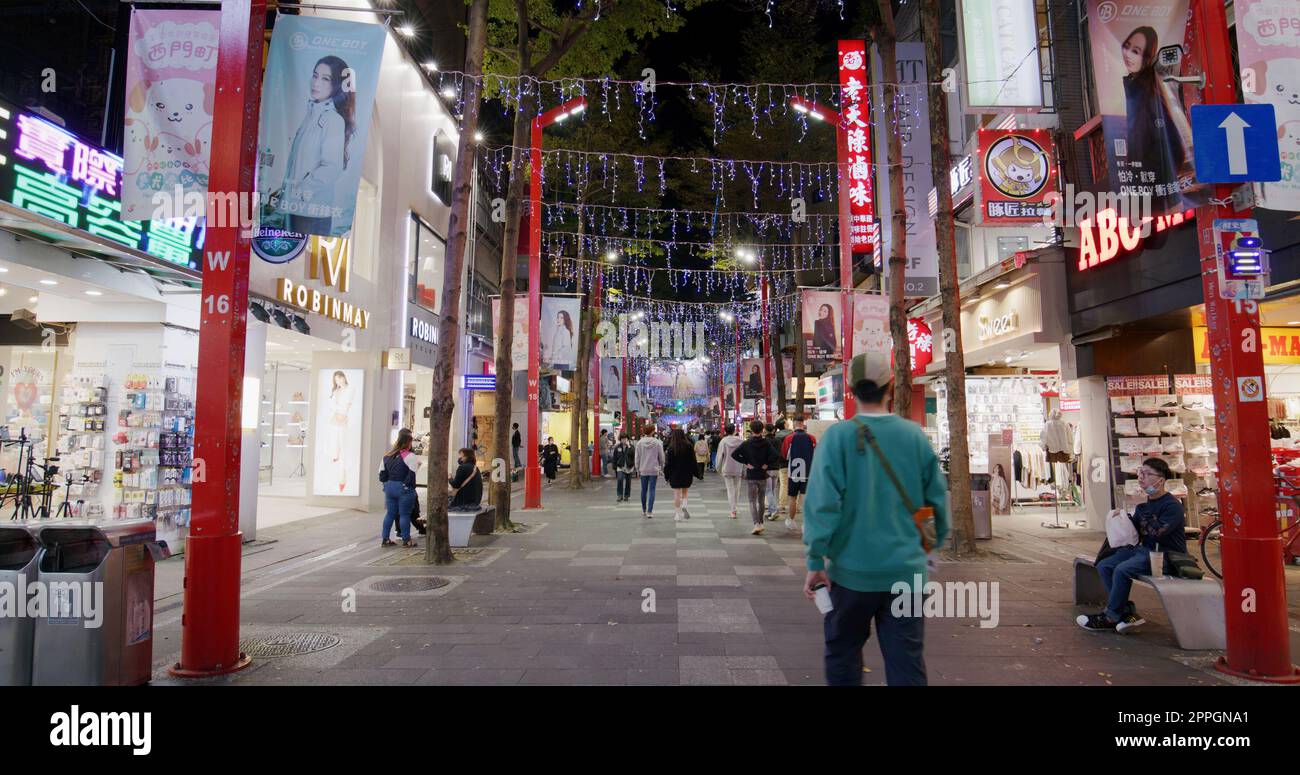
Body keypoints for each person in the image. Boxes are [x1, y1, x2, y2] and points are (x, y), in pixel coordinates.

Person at [802, 351, 950, 686]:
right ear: (890, 385)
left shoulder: (837, 438)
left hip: (851, 574)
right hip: (906, 574)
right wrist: (927, 546)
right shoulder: (914, 436)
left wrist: (815, 559)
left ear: (851, 389)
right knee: (906, 662)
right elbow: (935, 504)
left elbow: (822, 504)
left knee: (842, 654)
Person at [1078, 457, 1186, 634]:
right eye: (1140, 473)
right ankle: (1125, 611)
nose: (1141, 478)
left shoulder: (1172, 506)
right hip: (1144, 552)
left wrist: (1141, 518)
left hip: (1166, 556)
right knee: (1105, 565)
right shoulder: (1144, 505)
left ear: (1161, 479)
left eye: (1146, 474)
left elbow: (1158, 532)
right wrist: (1121, 520)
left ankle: (1111, 616)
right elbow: (1135, 533)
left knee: (1122, 569)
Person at [272, 56, 355, 235]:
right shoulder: (311, 114)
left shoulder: (332, 120)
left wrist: (299, 191)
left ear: (337, 85)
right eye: (315, 75)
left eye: (325, 79)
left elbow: (332, 168)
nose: (316, 82)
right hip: (296, 208)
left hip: (310, 212)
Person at [1119, 26, 1193, 210]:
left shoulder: (1149, 91)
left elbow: (1175, 144)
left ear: (1147, 57)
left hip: (1158, 197)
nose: (1128, 53)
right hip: (1149, 195)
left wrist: (1158, 187)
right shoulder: (1135, 87)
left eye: (1135, 51)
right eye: (1127, 46)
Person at [731, 419, 781, 535]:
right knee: (761, 500)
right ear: (762, 429)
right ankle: (761, 522)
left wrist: (745, 462)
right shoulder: (766, 442)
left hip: (751, 475)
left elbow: (734, 454)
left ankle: (756, 524)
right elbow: (776, 455)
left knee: (752, 500)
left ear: (751, 430)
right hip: (763, 475)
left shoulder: (746, 443)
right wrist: (767, 464)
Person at [378, 428, 420, 548]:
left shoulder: (387, 456)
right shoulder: (410, 456)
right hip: (403, 488)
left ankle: (385, 539)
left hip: (390, 487)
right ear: (408, 442)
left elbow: (381, 475)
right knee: (404, 515)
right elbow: (412, 475)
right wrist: (406, 486)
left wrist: (387, 484)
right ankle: (406, 540)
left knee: (390, 514)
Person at [782, 418, 817, 530]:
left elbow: (784, 455)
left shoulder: (789, 438)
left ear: (794, 424)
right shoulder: (812, 438)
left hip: (793, 473)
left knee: (792, 498)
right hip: (808, 472)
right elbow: (816, 454)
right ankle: (806, 524)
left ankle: (792, 521)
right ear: (803, 424)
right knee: (806, 498)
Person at [327, 370, 354, 494]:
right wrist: (338, 412)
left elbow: (349, 405)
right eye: (336, 380)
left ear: (344, 377)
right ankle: (335, 454)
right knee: (334, 439)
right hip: (336, 417)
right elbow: (332, 405)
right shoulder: (336, 391)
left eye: (340, 378)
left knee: (344, 446)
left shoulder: (350, 389)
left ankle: (343, 478)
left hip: (345, 418)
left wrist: (343, 414)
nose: (338, 381)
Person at [664, 429, 698, 521]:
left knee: (676, 493)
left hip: (675, 474)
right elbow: (693, 461)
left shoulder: (671, 448)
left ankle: (678, 515)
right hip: (687, 473)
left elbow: (668, 464)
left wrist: (666, 476)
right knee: (685, 492)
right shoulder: (689, 446)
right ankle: (685, 505)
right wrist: (696, 473)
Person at [716, 424, 745, 519]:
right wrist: (745, 468)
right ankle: (735, 507)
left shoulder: (723, 442)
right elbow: (745, 456)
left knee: (730, 490)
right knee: (737, 489)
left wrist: (718, 468)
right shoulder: (741, 441)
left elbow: (720, 456)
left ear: (725, 431)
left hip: (727, 468)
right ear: (734, 431)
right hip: (738, 468)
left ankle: (733, 511)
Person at [635, 430, 665, 517]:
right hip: (653, 469)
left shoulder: (639, 443)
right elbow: (661, 457)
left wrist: (637, 468)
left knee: (643, 490)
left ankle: (644, 510)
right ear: (652, 432)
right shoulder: (657, 442)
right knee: (652, 490)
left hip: (643, 469)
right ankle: (650, 512)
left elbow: (637, 457)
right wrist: (661, 466)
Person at [772, 418, 792, 518]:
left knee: (783, 484)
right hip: (793, 462)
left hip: (781, 463)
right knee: (795, 483)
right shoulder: (792, 434)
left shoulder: (776, 436)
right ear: (784, 425)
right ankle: (796, 506)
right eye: (786, 421)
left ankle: (782, 505)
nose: (788, 422)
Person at [612, 432, 636, 503]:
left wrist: (629, 447)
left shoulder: (631, 447)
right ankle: (619, 495)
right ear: (620, 439)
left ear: (627, 439)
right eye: (622, 439)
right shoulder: (618, 447)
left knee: (628, 482)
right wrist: (614, 466)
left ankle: (626, 495)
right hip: (620, 467)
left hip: (629, 467)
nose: (624, 440)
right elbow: (615, 457)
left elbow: (633, 455)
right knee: (620, 479)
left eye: (625, 439)